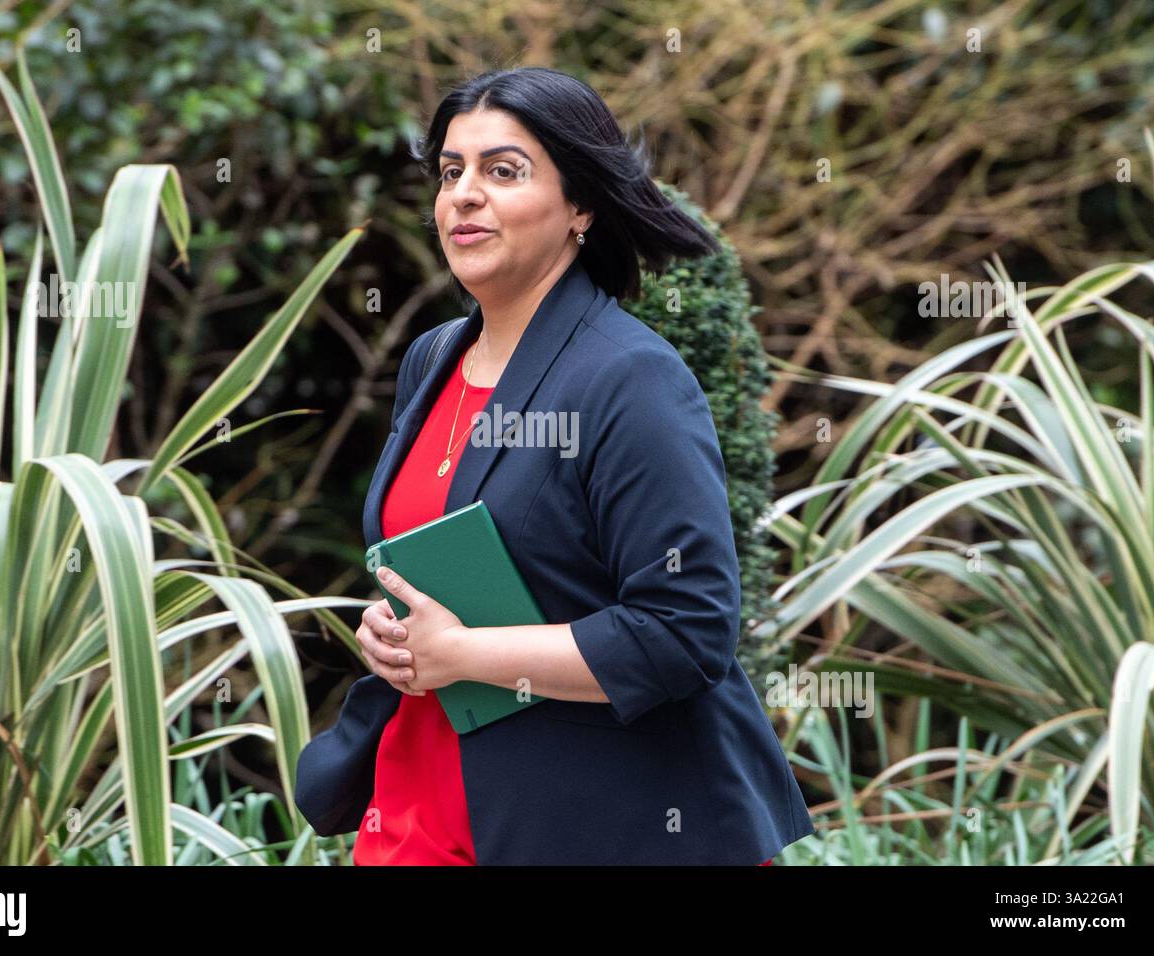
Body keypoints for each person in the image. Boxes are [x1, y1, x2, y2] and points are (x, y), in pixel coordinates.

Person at [295, 67, 815, 865]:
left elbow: (685, 632)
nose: (464, 195)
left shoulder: (630, 377)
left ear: (581, 207)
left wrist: (464, 655)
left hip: (590, 821)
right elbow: (460, 562)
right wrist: (396, 631)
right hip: (418, 802)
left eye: (503, 171)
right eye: (451, 172)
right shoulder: (434, 358)